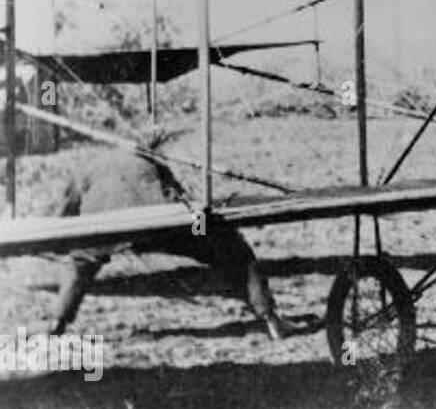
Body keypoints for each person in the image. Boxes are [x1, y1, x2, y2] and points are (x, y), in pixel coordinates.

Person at [44, 145, 293, 340]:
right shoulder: (152, 163)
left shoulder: (86, 169)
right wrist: (205, 224)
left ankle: (57, 322)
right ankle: (271, 319)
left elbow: (65, 213)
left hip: (107, 228)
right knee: (232, 248)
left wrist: (62, 245)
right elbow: (183, 198)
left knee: (79, 263)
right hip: (161, 224)